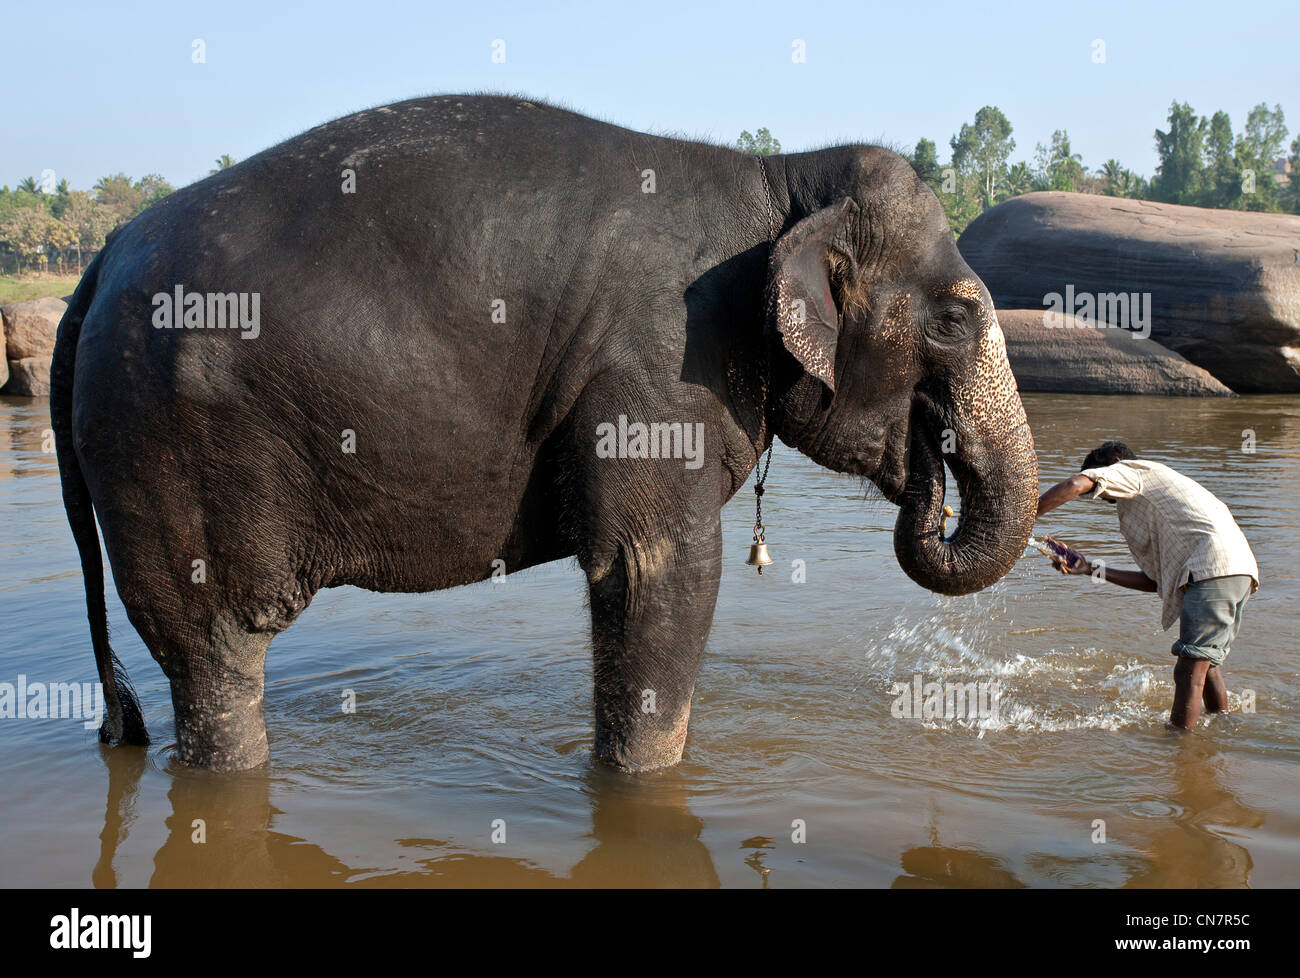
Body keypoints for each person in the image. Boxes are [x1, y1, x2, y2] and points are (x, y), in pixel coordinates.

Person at [1035, 441, 1259, 730]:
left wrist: (1024, 519)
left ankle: (1179, 750)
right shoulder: (1151, 497)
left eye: (1098, 482)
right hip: (1234, 572)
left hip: (1213, 570)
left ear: (1115, 461)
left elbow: (1075, 483)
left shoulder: (1133, 471)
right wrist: (1090, 568)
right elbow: (1154, 582)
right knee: (1207, 664)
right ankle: (1221, 727)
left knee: (1188, 672)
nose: (1100, 496)